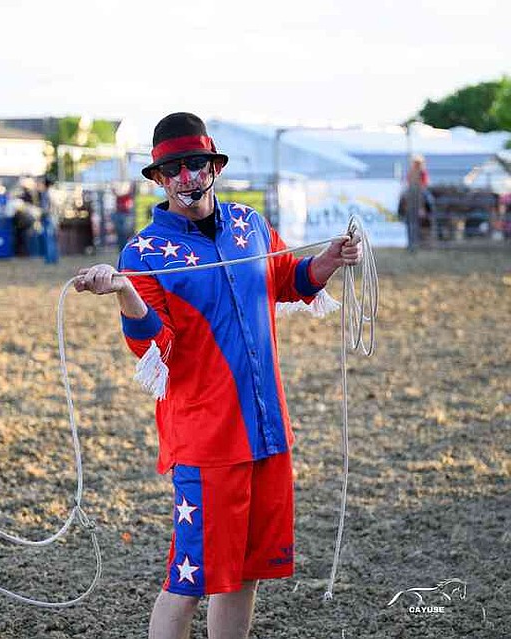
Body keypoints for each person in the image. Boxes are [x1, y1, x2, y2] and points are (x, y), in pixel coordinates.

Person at [74, 113, 362, 639]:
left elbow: (287, 280)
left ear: (214, 168)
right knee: (188, 581)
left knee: (246, 574)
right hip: (207, 440)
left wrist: (329, 260)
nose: (187, 177)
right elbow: (151, 343)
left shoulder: (250, 224)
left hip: (268, 430)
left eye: (196, 164)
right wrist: (124, 292)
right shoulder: (142, 252)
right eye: (175, 169)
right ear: (160, 179)